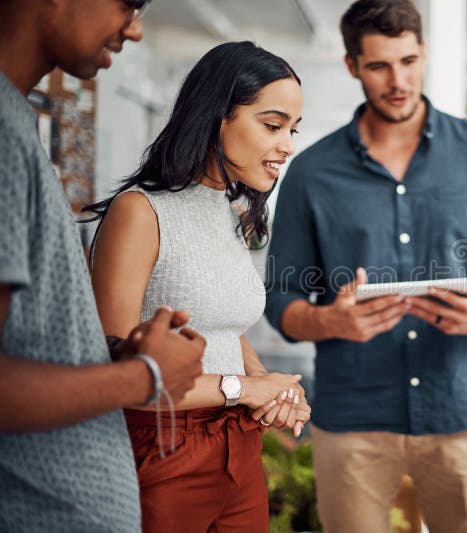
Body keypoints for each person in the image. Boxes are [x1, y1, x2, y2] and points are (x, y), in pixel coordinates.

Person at [264, 1, 467, 531]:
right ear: (351, 66)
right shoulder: (312, 173)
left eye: (409, 61)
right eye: (379, 66)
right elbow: (281, 302)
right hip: (354, 424)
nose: (398, 80)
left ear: (425, 52)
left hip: (463, 416)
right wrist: (328, 321)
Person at [84, 41, 311, 532]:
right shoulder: (140, 212)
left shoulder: (234, 209)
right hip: (161, 449)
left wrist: (269, 387)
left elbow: (221, 324)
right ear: (216, 118)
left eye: (292, 130)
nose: (287, 145)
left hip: (237, 445)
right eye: (273, 126)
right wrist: (244, 388)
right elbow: (112, 369)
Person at [0, 1, 206, 531]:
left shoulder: (15, 123)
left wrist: (108, 355)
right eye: (129, 3)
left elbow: (24, 342)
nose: (135, 29)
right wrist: (144, 376)